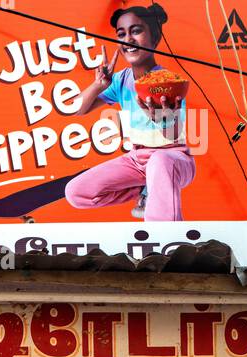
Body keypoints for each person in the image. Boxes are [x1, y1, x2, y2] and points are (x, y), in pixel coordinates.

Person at [65, 5, 194, 223]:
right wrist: (98, 85)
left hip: (173, 158)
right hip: (137, 160)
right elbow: (76, 109)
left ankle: (164, 241)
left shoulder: (167, 81)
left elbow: (174, 136)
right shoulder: (120, 79)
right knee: (76, 191)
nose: (128, 39)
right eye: (122, 34)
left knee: (159, 161)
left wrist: (163, 120)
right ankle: (146, 188)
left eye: (136, 31)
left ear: (155, 38)